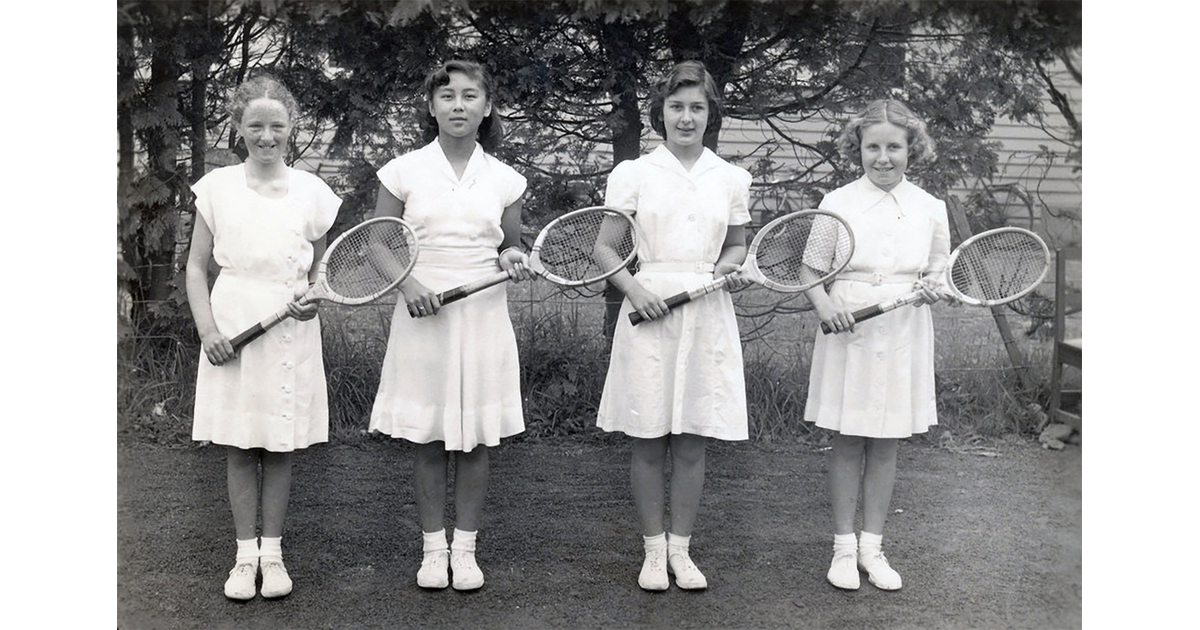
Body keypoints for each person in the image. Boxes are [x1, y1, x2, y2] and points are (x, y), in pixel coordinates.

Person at [368, 60, 532, 591]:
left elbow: (510, 242)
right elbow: (376, 242)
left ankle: (466, 550)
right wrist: (409, 285)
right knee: (431, 436)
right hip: (422, 311)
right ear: (431, 105)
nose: (458, 105)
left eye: (469, 96)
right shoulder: (402, 170)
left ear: (487, 107)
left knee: (476, 439)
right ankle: (433, 550)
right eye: (447, 96)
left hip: (482, 313)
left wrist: (512, 257)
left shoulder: (506, 179)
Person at [596, 60, 753, 592]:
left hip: (705, 313)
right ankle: (652, 551)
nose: (686, 118)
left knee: (690, 440)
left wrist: (727, 271)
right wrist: (637, 291)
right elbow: (603, 247)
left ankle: (682, 552)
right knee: (647, 436)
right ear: (660, 113)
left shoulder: (730, 178)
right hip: (649, 308)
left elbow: (735, 247)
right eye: (676, 107)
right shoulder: (634, 173)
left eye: (697, 108)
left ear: (711, 115)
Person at [185, 74, 342, 600]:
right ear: (238, 127)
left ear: (293, 128)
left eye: (277, 125)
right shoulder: (217, 187)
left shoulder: (313, 192)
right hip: (230, 323)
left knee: (278, 447)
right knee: (237, 445)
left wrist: (312, 300)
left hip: (289, 331)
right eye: (256, 125)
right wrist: (208, 330)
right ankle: (242, 557)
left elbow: (324, 271)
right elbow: (195, 267)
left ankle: (272, 557)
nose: (267, 136)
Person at [802, 99, 951, 592]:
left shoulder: (930, 208)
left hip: (904, 329)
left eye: (894, 146)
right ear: (857, 149)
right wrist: (827, 309)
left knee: (886, 443)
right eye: (873, 147)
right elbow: (811, 271)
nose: (883, 157)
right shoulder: (837, 202)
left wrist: (934, 287)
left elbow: (939, 273)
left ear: (913, 149)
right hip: (849, 326)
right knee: (847, 440)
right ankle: (843, 549)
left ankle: (873, 548)